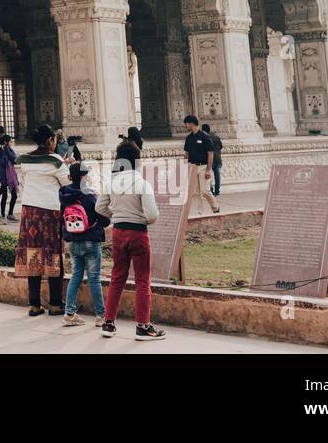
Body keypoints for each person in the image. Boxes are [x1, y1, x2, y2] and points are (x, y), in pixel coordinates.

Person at [96, 140, 165, 340]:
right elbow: (152, 215)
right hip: (138, 233)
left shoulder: (111, 182)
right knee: (142, 280)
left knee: (117, 277)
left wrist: (116, 214)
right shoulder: (142, 184)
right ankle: (143, 326)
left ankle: (108, 323)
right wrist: (138, 218)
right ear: (136, 161)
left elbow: (99, 208)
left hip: (118, 232)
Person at [14, 124, 70, 317]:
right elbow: (67, 184)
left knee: (33, 255)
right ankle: (55, 303)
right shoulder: (56, 160)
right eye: (54, 140)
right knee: (53, 255)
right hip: (50, 212)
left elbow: (25, 180)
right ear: (49, 141)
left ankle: (34, 304)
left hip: (29, 211)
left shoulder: (26, 160)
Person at [59, 161, 109, 327]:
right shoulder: (89, 196)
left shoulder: (64, 196)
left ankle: (69, 313)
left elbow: (62, 220)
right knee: (94, 279)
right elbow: (103, 219)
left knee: (75, 277)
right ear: (83, 177)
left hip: (73, 242)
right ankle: (101, 316)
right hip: (90, 242)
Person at [182, 114, 220, 215]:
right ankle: (200, 212)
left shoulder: (204, 136)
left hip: (203, 167)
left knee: (205, 190)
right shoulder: (189, 138)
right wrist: (185, 168)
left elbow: (210, 154)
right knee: (197, 192)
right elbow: (186, 154)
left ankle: (215, 206)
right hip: (193, 167)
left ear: (191, 123)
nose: (185, 126)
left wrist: (208, 169)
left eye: (186, 124)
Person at [0, 134, 19, 223]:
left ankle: (10, 214)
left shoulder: (9, 150)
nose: (11, 143)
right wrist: (5, 152)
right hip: (3, 177)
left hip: (11, 177)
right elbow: (2, 162)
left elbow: (14, 160)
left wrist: (7, 150)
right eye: (10, 141)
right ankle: (2, 215)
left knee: (14, 195)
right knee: (4, 196)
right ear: (6, 142)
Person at [202, 123, 224, 194]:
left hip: (210, 159)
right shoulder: (216, 137)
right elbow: (221, 146)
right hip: (217, 158)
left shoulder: (205, 138)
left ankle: (211, 190)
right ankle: (217, 190)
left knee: (208, 174)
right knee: (217, 174)